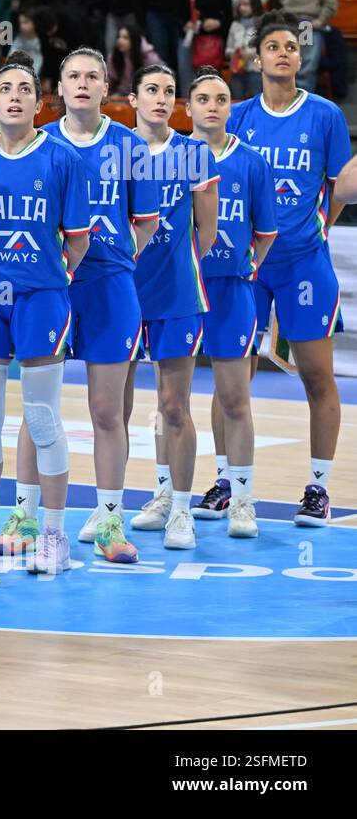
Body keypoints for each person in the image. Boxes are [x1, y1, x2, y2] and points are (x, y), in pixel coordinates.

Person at [0, 50, 92, 576]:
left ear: (40, 103)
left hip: (41, 297)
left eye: (24, 90)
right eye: (6, 90)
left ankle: (54, 535)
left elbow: (79, 239)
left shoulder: (62, 158)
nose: (14, 98)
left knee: (41, 417)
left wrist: (47, 273)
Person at [226, 10, 350, 528]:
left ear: (300, 58)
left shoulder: (324, 116)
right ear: (256, 59)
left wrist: (318, 226)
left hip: (304, 264)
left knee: (318, 377)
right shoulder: (236, 117)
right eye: (273, 46)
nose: (284, 53)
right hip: (247, 267)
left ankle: (318, 489)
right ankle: (228, 484)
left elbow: (343, 183)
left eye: (292, 47)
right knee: (234, 379)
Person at [40, 48, 159, 563]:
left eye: (93, 76)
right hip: (49, 286)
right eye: (74, 76)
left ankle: (110, 520)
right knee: (39, 411)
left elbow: (148, 221)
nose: (83, 83)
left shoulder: (130, 145)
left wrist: (117, 256)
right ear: (59, 88)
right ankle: (30, 516)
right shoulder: (40, 143)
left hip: (110, 285)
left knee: (108, 411)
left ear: (106, 89)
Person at [124, 64, 219, 550]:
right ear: (133, 97)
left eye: (168, 92)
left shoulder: (193, 153)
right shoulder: (116, 150)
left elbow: (206, 231)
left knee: (173, 406)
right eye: (151, 90)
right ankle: (124, 504)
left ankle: (180, 509)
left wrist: (179, 267)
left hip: (177, 295)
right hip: (121, 292)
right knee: (112, 410)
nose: (161, 99)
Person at [184, 67, 276, 535]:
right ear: (189, 107)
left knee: (235, 398)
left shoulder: (252, 162)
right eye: (204, 98)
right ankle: (176, 495)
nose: (213, 106)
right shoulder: (169, 159)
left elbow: (265, 233)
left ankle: (243, 498)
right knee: (172, 402)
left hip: (232, 290)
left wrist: (247, 267)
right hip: (181, 291)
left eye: (221, 99)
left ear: (230, 108)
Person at [274, 0, 336, 92]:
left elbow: (331, 1)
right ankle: (284, 102)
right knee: (283, 63)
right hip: (285, 23)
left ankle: (303, 104)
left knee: (304, 65)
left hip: (306, 23)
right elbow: (273, 2)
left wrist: (321, 19)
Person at [180, 0, 233, 94]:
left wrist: (218, 23)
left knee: (211, 81)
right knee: (187, 80)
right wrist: (185, 24)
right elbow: (175, 12)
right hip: (189, 38)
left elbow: (228, 16)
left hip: (212, 40)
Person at [226, 0, 263, 99]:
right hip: (237, 70)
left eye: (246, 4)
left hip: (255, 70)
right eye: (240, 4)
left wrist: (250, 54)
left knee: (255, 102)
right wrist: (234, 53)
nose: (242, 8)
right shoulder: (235, 24)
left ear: (254, 5)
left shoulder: (262, 25)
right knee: (237, 101)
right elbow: (227, 49)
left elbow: (267, 50)